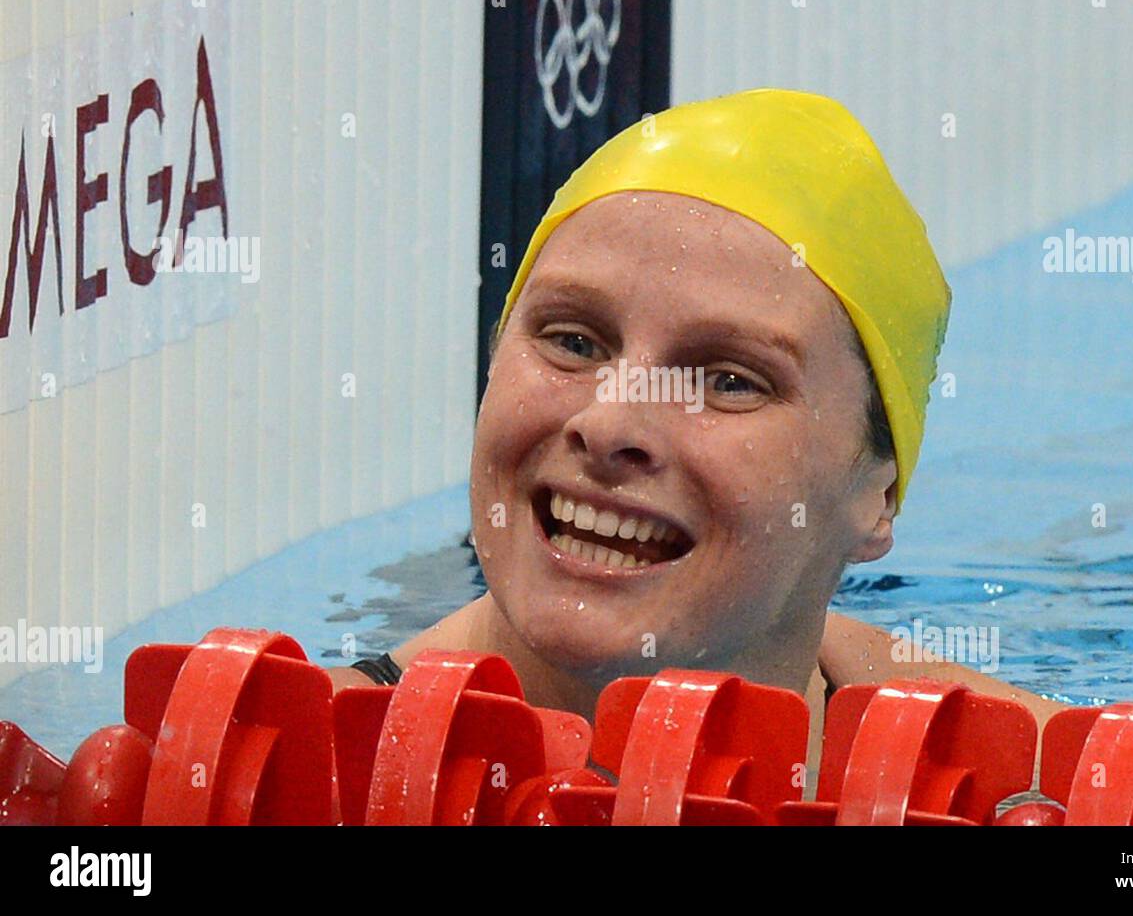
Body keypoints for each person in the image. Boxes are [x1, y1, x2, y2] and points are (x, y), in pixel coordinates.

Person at [328, 89, 1065, 781]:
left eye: (729, 381)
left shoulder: (1049, 786)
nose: (609, 423)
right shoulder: (295, 764)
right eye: (573, 342)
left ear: (879, 495)